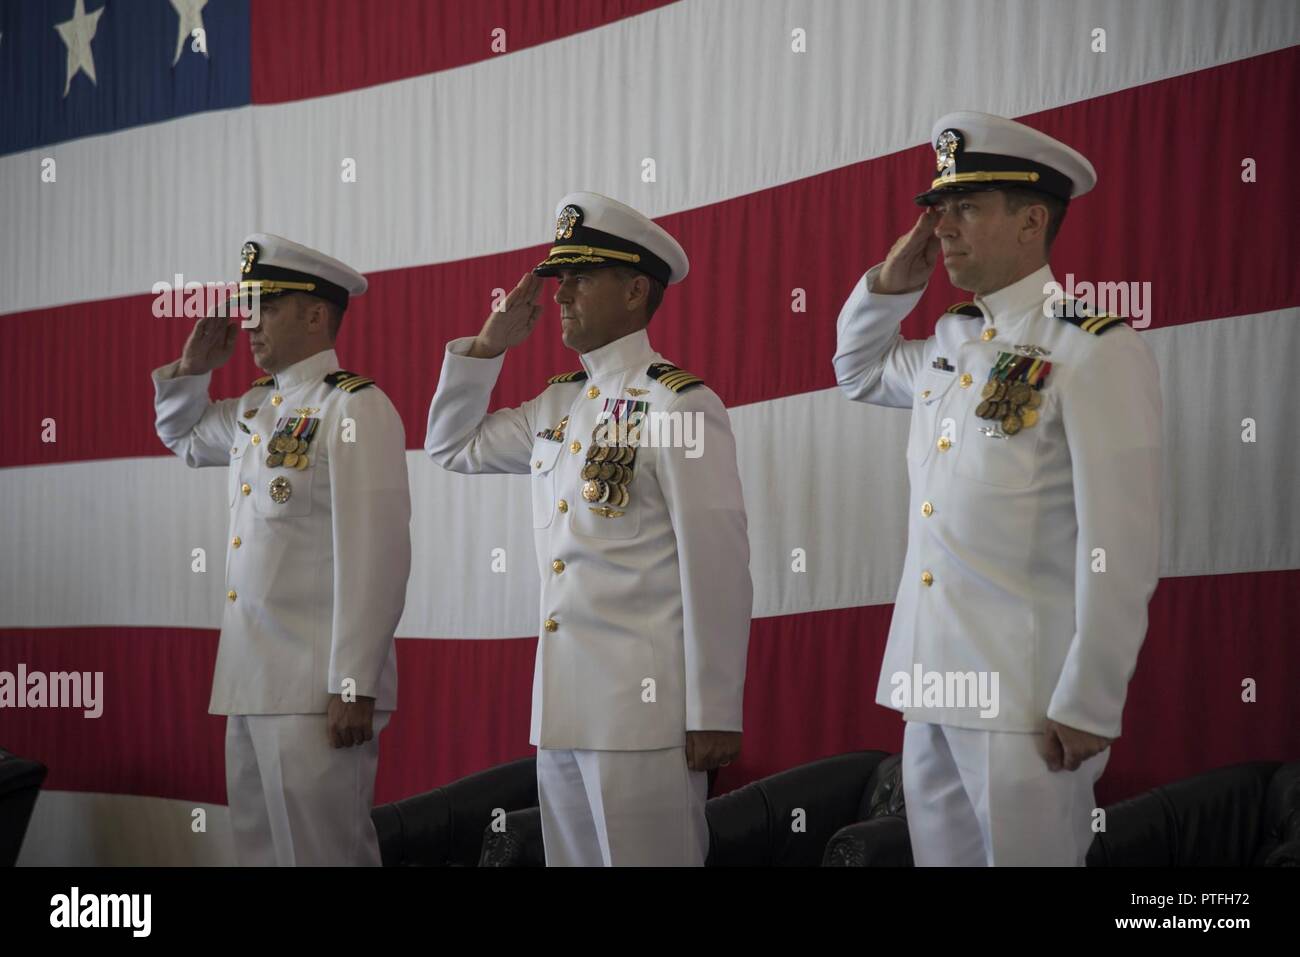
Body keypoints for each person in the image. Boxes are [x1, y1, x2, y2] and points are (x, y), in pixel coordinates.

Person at [833, 112, 1162, 865]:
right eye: (941, 211)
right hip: (931, 685)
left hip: (1027, 696)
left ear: (1032, 219)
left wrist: (1090, 698)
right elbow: (854, 371)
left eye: (967, 208)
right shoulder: (949, 342)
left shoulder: (1091, 349)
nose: (943, 227)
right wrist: (888, 287)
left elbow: (1122, 543)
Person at [425, 192, 752, 866]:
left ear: (635, 290)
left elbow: (716, 563)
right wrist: (487, 349)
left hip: (644, 712)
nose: (561, 293)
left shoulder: (680, 403)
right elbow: (451, 445)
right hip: (562, 708)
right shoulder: (557, 402)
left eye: (580, 276)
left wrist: (713, 708)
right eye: (559, 278)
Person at [152, 233, 411, 865]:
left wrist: (353, 682)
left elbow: (375, 554)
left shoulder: (353, 405)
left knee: (325, 855)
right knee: (263, 854)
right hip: (250, 680)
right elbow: (181, 436)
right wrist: (194, 370)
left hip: (314, 688)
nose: (250, 323)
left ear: (316, 314)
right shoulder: (252, 409)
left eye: (266, 305)